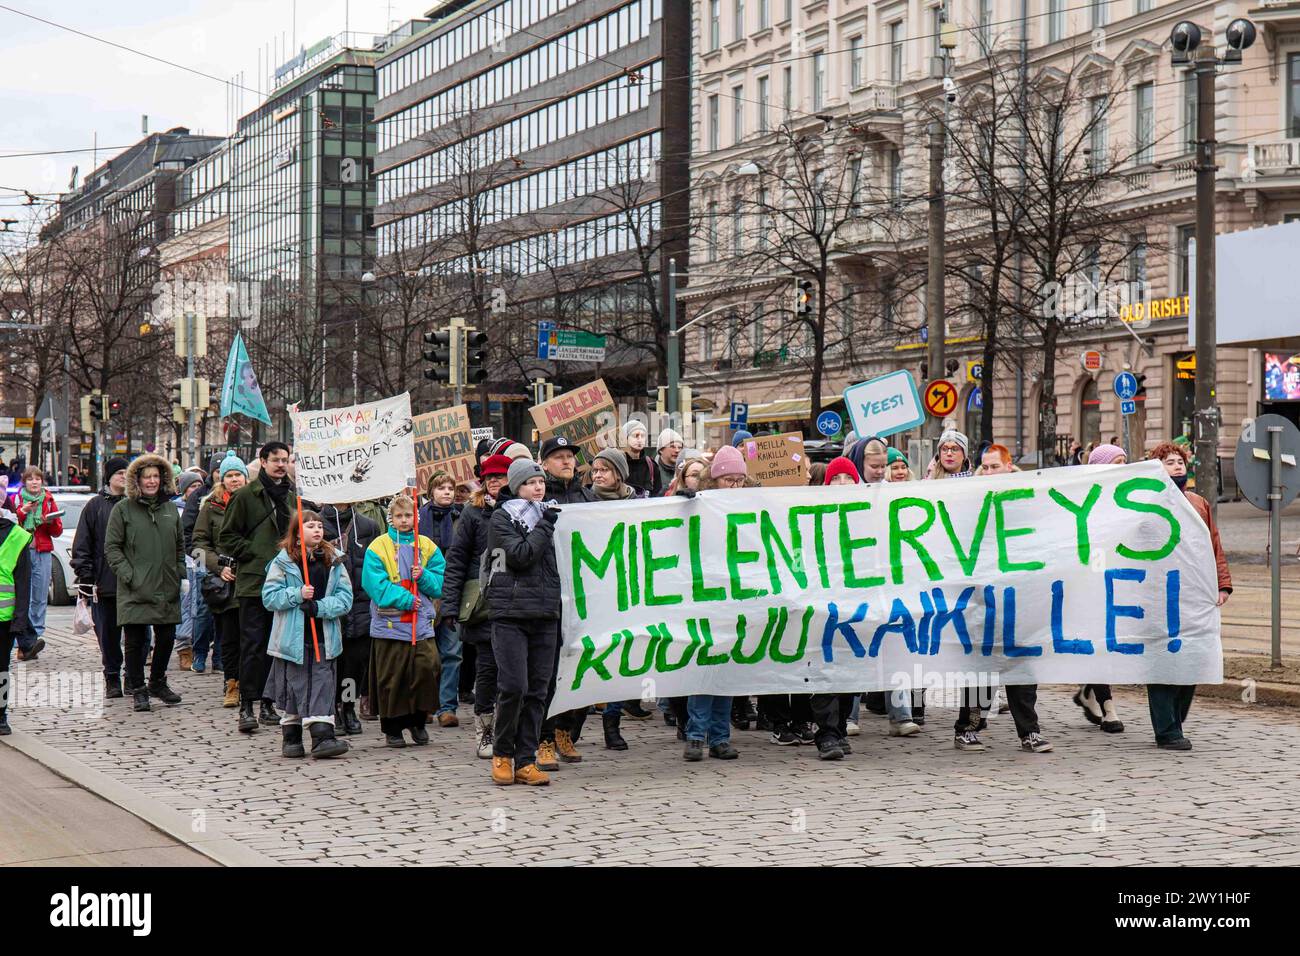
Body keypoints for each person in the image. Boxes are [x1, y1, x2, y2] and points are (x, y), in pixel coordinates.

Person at [966, 442, 1053, 753]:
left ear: (1007, 466)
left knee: (1022, 667)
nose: (989, 472)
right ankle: (968, 727)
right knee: (982, 667)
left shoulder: (1027, 498)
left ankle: (1029, 732)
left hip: (1021, 596)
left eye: (994, 467)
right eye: (984, 467)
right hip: (984, 597)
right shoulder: (972, 500)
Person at [1146, 441, 1231, 751]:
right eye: (1169, 462)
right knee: (1163, 661)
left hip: (1194, 594)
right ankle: (1166, 730)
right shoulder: (1146, 503)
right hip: (1157, 595)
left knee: (1192, 657)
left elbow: (1214, 546)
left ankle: (1176, 721)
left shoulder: (1198, 503)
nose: (1177, 465)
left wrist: (1222, 585)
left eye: (1179, 461)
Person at [486, 458, 562, 786]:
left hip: (545, 614)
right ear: (517, 486)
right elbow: (519, 555)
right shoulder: (503, 518)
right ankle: (502, 753)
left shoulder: (553, 514)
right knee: (514, 686)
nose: (539, 487)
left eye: (541, 481)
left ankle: (526, 759)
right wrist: (546, 525)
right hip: (510, 614)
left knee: (538, 690)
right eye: (532, 482)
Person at [262, 509, 353, 759]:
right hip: (292, 639)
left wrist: (319, 607)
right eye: (310, 526)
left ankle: (323, 737)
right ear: (297, 532)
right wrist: (297, 595)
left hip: (323, 637)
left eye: (319, 526)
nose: (317, 530)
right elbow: (269, 598)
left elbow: (345, 598)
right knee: (293, 687)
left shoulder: (334, 560)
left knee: (321, 684)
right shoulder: (283, 562)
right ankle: (291, 739)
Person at [219, 441, 296, 734]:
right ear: (262, 462)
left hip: (285, 585)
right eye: (275, 459)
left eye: (284, 460)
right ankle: (247, 705)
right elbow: (227, 537)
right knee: (252, 646)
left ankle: (268, 702)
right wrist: (254, 553)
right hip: (254, 583)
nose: (280, 464)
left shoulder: (292, 497)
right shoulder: (245, 497)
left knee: (276, 647)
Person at [441, 453, 512, 759]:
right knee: (487, 668)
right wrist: (449, 605)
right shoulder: (472, 513)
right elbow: (456, 559)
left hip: (516, 600)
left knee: (513, 671)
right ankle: (485, 730)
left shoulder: (521, 509)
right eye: (490, 477)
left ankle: (511, 728)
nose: (495, 482)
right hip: (482, 602)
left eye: (501, 476)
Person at [362, 493, 445, 749]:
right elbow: (374, 584)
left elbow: (440, 583)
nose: (404, 520)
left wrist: (424, 576)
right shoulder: (378, 546)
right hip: (391, 623)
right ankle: (393, 727)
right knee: (393, 677)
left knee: (427, 667)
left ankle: (418, 720)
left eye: (408, 515)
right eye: (399, 516)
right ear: (391, 518)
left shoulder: (428, 546)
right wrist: (404, 599)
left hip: (420, 624)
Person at [104, 455, 184, 713]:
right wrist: (129, 575)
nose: (152, 481)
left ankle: (158, 682)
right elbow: (112, 548)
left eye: (156, 476)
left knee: (167, 637)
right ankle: (138, 688)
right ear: (136, 480)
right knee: (135, 641)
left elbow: (180, 545)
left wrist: (180, 573)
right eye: (147, 476)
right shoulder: (123, 509)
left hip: (166, 584)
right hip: (135, 587)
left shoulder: (171, 509)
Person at [536, 435, 597, 769]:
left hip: (585, 595)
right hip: (551, 595)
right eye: (558, 457)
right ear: (544, 463)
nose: (566, 461)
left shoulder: (587, 496)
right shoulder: (539, 497)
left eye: (570, 456)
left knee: (583, 668)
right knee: (550, 673)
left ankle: (566, 731)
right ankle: (543, 740)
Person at [684, 445, 747, 763]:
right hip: (705, 595)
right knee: (704, 667)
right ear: (715, 480)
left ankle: (720, 737)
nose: (734, 486)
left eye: (739, 480)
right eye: (728, 480)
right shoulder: (698, 505)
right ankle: (696, 735)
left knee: (726, 671)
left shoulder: (749, 506)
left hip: (734, 596)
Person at [1072, 442, 1127, 734]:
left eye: (1124, 462)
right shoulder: (1086, 495)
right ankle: (1109, 707)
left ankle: (1087, 691)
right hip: (1089, 578)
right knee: (1098, 642)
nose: (1122, 468)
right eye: (1116, 463)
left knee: (1111, 642)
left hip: (1119, 578)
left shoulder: (1127, 495)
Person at [319, 499, 381, 735]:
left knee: (355, 662)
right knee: (334, 660)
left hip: (361, 603)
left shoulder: (368, 526)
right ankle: (332, 706)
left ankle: (348, 706)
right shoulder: (317, 524)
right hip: (331, 604)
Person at [192, 452, 248, 707]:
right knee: (229, 637)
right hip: (225, 582)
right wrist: (217, 567)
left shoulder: (256, 502)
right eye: (230, 475)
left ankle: (253, 684)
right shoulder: (210, 506)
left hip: (252, 578)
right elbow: (197, 545)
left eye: (238, 475)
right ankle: (232, 683)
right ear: (222, 479)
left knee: (254, 636)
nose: (235, 480)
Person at [71, 456, 129, 697]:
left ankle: (135, 677)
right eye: (119, 473)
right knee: (108, 634)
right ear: (109, 477)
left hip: (135, 582)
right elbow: (83, 543)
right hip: (105, 582)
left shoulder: (136, 503)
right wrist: (85, 575)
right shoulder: (95, 506)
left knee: (140, 634)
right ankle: (112, 676)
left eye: (127, 472)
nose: (123, 477)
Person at [418, 471, 463, 728]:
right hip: (424, 592)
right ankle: (426, 704)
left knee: (452, 652)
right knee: (425, 655)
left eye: (450, 487)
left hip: (452, 591)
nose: (446, 492)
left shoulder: (461, 517)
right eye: (441, 487)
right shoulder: (417, 519)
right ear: (431, 491)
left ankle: (448, 706)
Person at [10, 466, 62, 656]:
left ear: (42, 482)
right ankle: (23, 641)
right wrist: (22, 512)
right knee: (23, 596)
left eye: (38, 479)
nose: (34, 482)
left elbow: (57, 531)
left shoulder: (48, 499)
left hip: (43, 551)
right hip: (22, 552)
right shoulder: (17, 499)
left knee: (40, 596)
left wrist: (49, 521)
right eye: (30, 479)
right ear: (25, 482)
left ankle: (35, 637)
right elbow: (10, 524)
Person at [0, 506, 33, 735]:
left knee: (1, 668)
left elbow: (24, 583)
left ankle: (1, 715)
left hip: (4, 618)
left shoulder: (17, 536)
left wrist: (20, 621)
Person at [622, 419, 660, 497]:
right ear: (625, 438)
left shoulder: (651, 466)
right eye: (635, 436)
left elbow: (657, 496)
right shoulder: (617, 464)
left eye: (642, 436)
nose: (640, 440)